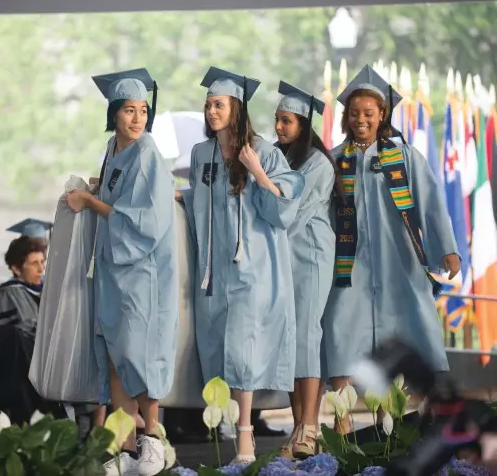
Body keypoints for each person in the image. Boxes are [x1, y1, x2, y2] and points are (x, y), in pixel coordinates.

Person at [321, 64, 461, 433]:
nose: (360, 120)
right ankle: (342, 422)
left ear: (382, 114)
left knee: (407, 331)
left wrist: (447, 249)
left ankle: (407, 420)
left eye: (368, 113)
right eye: (354, 114)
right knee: (339, 330)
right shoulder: (336, 159)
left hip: (397, 259)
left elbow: (431, 203)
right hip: (348, 265)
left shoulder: (404, 156)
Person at [178, 66, 304, 463]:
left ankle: (246, 440)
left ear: (236, 108)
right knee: (219, 349)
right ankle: (229, 429)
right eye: (208, 105)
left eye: (219, 104)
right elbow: (197, 203)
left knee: (244, 350)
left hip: (255, 269)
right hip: (214, 271)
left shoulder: (263, 151)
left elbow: (283, 210)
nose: (212, 111)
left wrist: (257, 172)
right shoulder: (201, 154)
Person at [66, 68, 178, 476]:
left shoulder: (147, 151)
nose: (137, 119)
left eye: (143, 110)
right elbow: (119, 196)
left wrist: (90, 203)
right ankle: (122, 444)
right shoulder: (114, 149)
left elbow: (144, 222)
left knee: (140, 355)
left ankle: (152, 438)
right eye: (129, 110)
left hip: (142, 272)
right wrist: (96, 191)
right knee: (115, 356)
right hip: (114, 270)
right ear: (113, 113)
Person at [272, 81, 345, 458]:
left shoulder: (318, 162)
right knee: (288, 337)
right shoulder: (276, 157)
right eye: (277, 120)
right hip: (283, 254)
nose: (280, 127)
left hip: (311, 253)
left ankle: (311, 425)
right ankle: (297, 427)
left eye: (287, 121)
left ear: (304, 124)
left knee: (306, 335)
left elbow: (294, 211)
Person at [0, 234, 66, 427]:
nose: (41, 268)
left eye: (43, 262)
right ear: (16, 269)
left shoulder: (48, 290)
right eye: (34, 263)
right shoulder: (9, 292)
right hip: (21, 362)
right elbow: (9, 336)